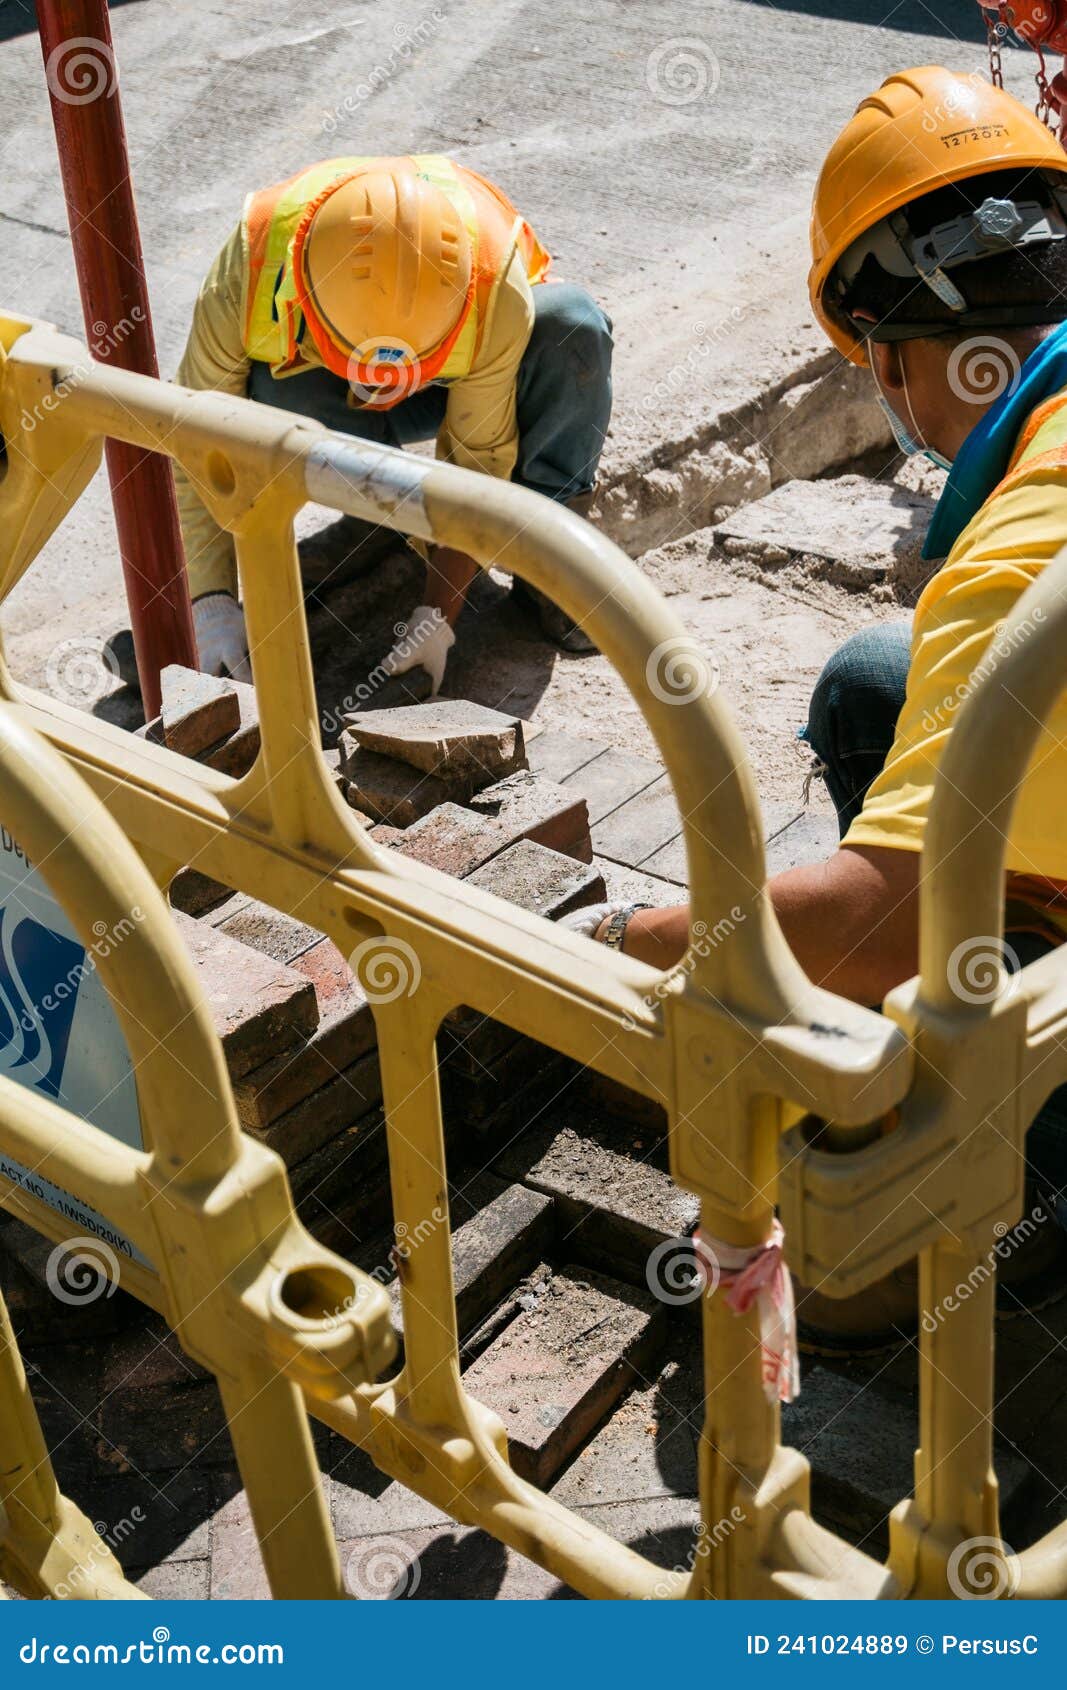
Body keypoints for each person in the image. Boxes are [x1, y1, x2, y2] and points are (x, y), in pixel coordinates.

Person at [568, 66, 1067, 1348]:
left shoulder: (1022, 556)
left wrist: (631, 942)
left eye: (876, 376)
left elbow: (891, 909)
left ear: (901, 363)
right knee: (870, 684)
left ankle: (1021, 1202)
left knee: (842, 1282)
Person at [173, 154, 613, 687]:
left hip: (459, 378)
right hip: (330, 392)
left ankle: (549, 557)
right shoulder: (251, 261)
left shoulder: (492, 281)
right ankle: (382, 514)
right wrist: (210, 601)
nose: (384, 387)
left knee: (571, 326)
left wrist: (437, 618)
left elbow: (475, 463)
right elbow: (200, 438)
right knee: (256, 394)